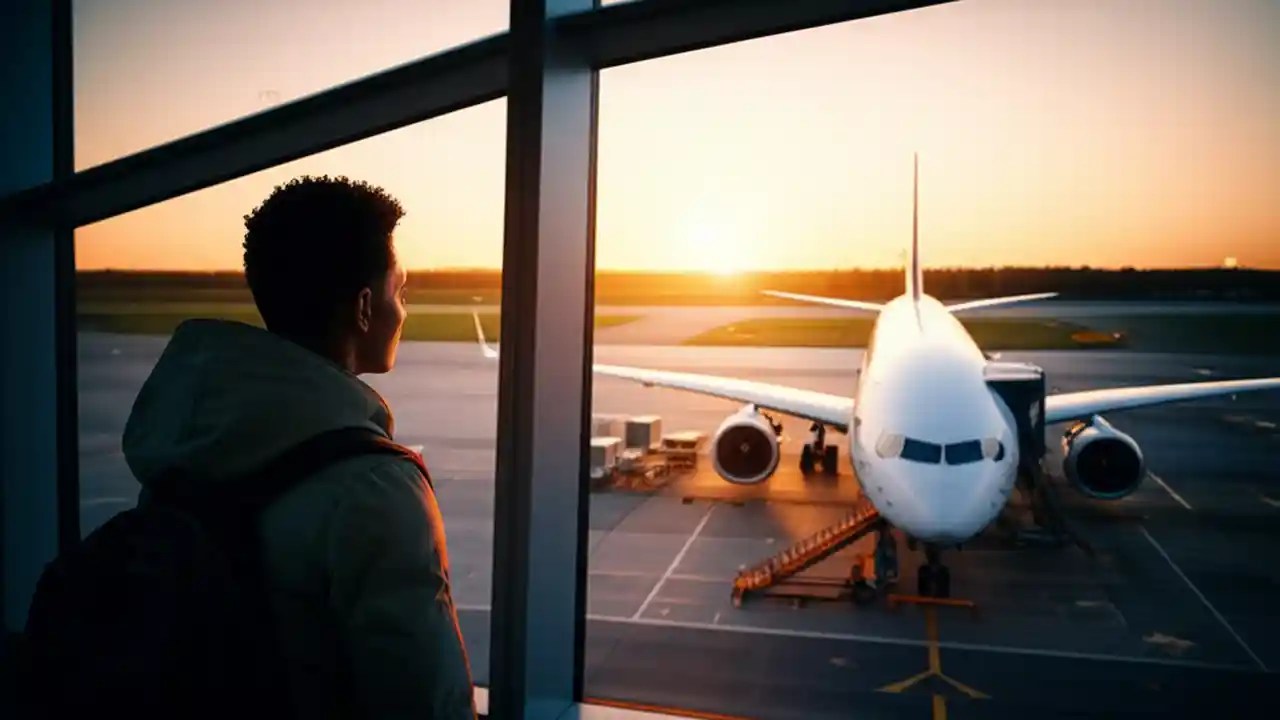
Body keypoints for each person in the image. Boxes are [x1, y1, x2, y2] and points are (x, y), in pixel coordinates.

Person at [120, 175, 476, 718]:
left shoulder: (187, 448)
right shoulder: (374, 487)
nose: (403, 310)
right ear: (363, 307)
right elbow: (425, 700)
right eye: (398, 291)